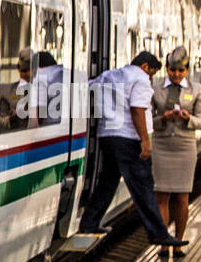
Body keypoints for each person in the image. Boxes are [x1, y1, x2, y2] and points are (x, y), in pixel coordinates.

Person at [78, 51, 187, 248]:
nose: (151, 77)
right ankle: (159, 233)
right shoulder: (141, 79)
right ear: (146, 67)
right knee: (143, 186)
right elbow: (137, 109)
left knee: (107, 182)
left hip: (107, 136)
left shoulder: (109, 75)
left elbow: (88, 89)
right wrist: (145, 141)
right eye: (152, 73)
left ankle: (89, 223)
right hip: (128, 138)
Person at [150, 46, 201, 256]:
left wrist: (187, 119)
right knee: (161, 196)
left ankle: (179, 241)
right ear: (166, 68)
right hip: (162, 145)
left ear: (187, 70)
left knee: (182, 196)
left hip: (185, 147)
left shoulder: (197, 89)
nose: (176, 74)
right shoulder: (156, 89)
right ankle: (165, 243)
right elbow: (147, 120)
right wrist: (162, 119)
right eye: (173, 70)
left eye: (181, 71)